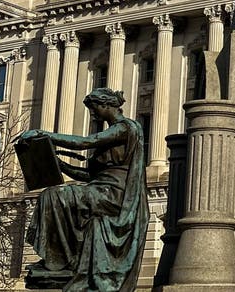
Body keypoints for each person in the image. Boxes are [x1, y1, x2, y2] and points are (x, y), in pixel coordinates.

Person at [18, 88, 149, 292]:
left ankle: (60, 261)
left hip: (115, 194)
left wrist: (44, 134)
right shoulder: (113, 133)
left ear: (106, 105)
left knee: (58, 196)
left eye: (94, 108)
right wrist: (60, 165)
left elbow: (86, 142)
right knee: (51, 194)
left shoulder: (126, 128)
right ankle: (60, 258)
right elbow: (89, 177)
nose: (93, 114)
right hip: (99, 189)